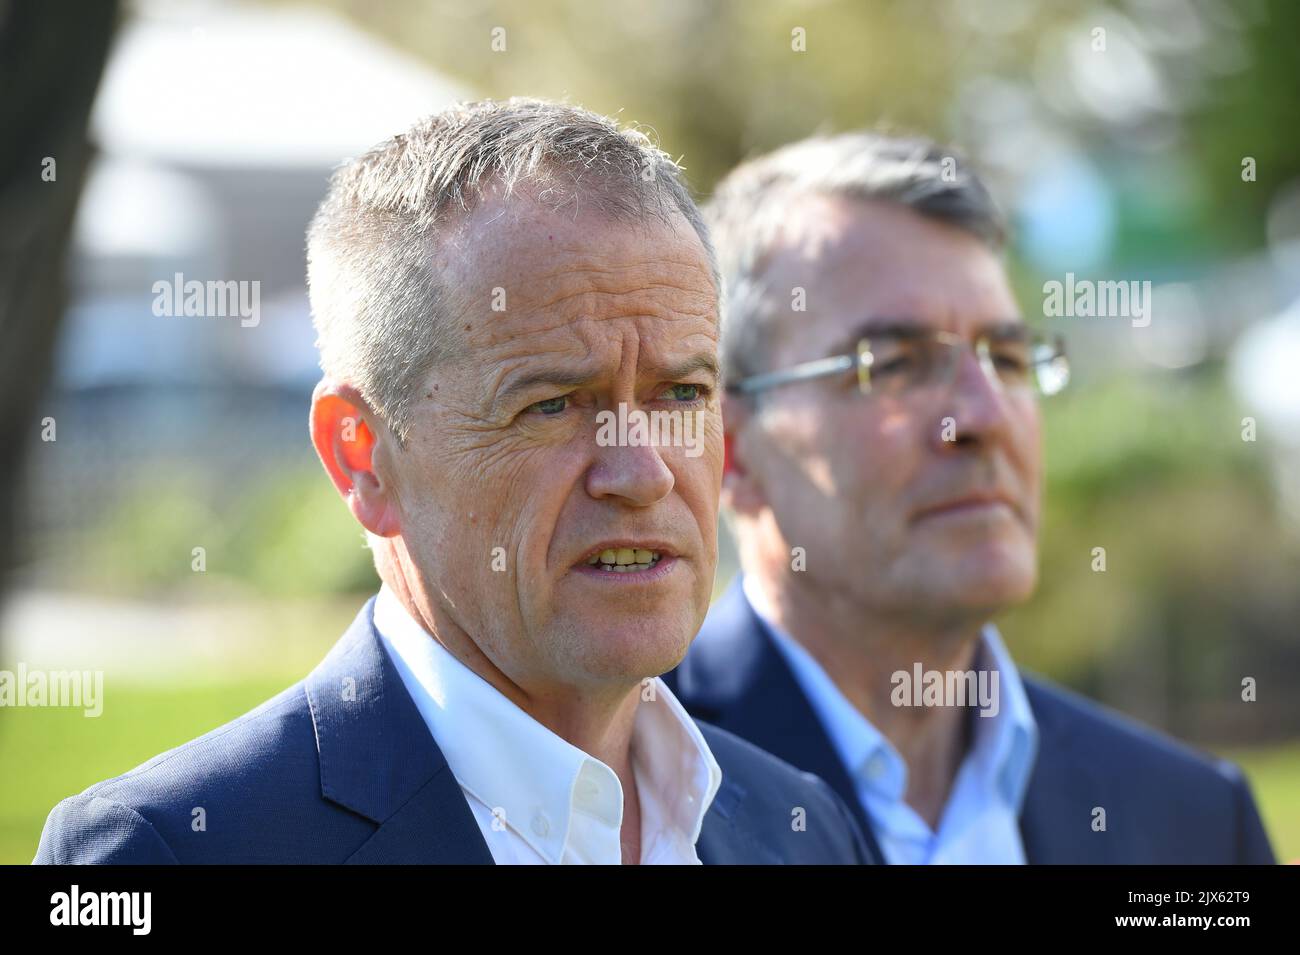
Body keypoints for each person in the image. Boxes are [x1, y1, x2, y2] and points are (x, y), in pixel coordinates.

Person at [33, 100, 873, 865]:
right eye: (552, 405)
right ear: (361, 454)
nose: (642, 471)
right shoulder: (163, 853)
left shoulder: (804, 827)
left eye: (681, 394)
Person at [664, 131, 1275, 864]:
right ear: (728, 448)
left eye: (1008, 357)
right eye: (893, 365)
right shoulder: (626, 782)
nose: (982, 416)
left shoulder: (1194, 823)